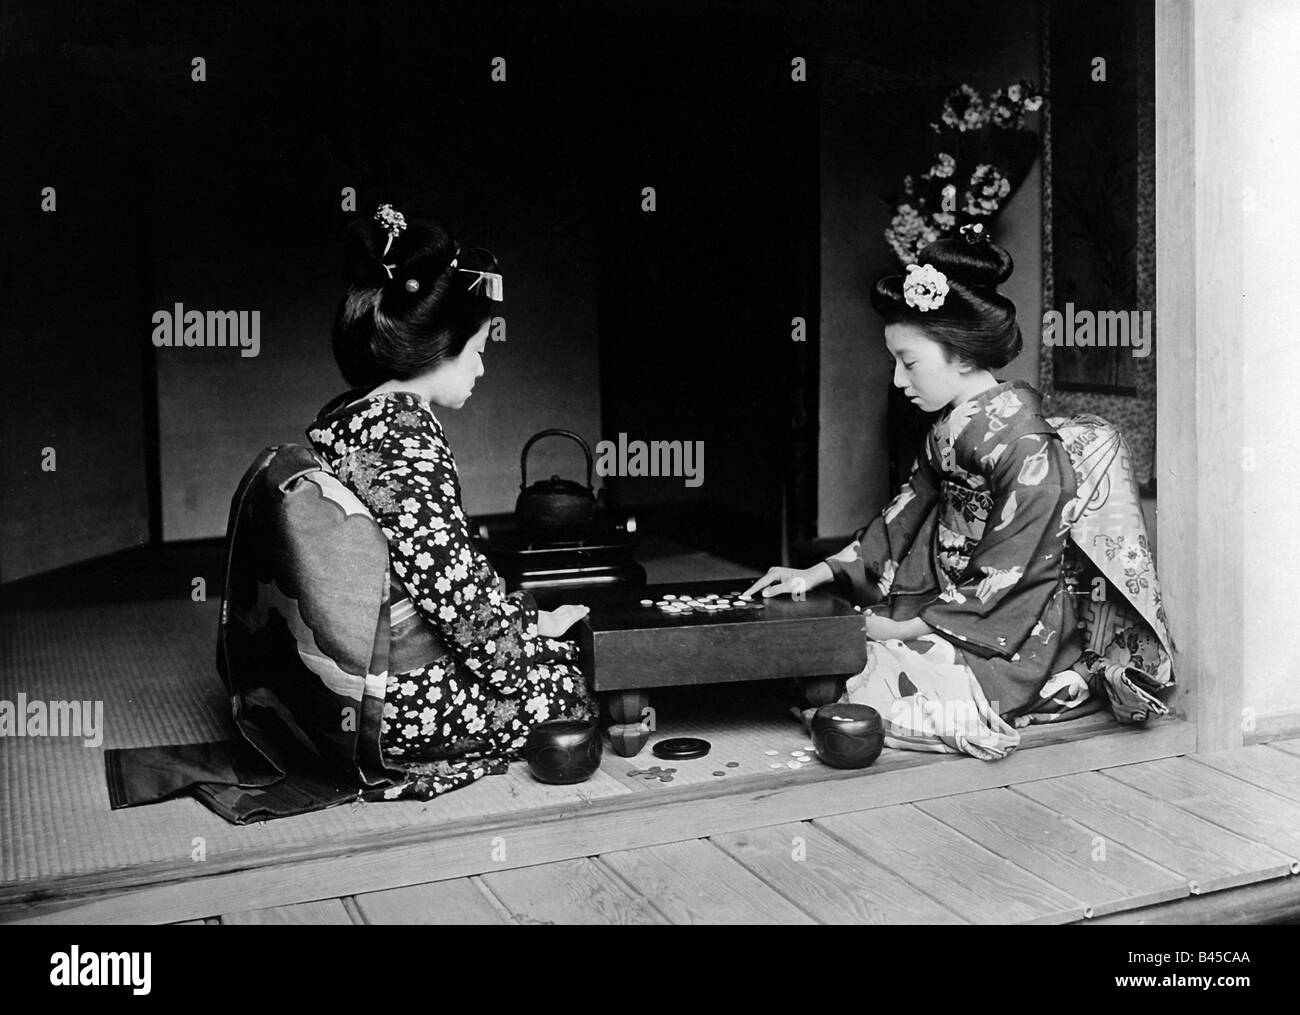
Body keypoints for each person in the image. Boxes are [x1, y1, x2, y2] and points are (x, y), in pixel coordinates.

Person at [745, 223, 1084, 760]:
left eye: (910, 363)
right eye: (895, 362)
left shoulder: (1028, 446)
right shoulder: (947, 430)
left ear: (965, 357)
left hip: (1006, 621)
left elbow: (1013, 571)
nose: (899, 381)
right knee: (842, 653)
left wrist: (906, 628)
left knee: (876, 677)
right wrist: (821, 571)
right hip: (944, 600)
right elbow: (901, 516)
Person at [306, 204, 597, 789]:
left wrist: (527, 621)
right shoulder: (405, 435)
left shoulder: (351, 418)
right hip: (392, 700)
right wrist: (532, 657)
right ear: (440, 343)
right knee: (574, 682)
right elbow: (454, 598)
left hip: (343, 679)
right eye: (480, 345)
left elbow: (443, 577)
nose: (484, 365)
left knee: (545, 649)